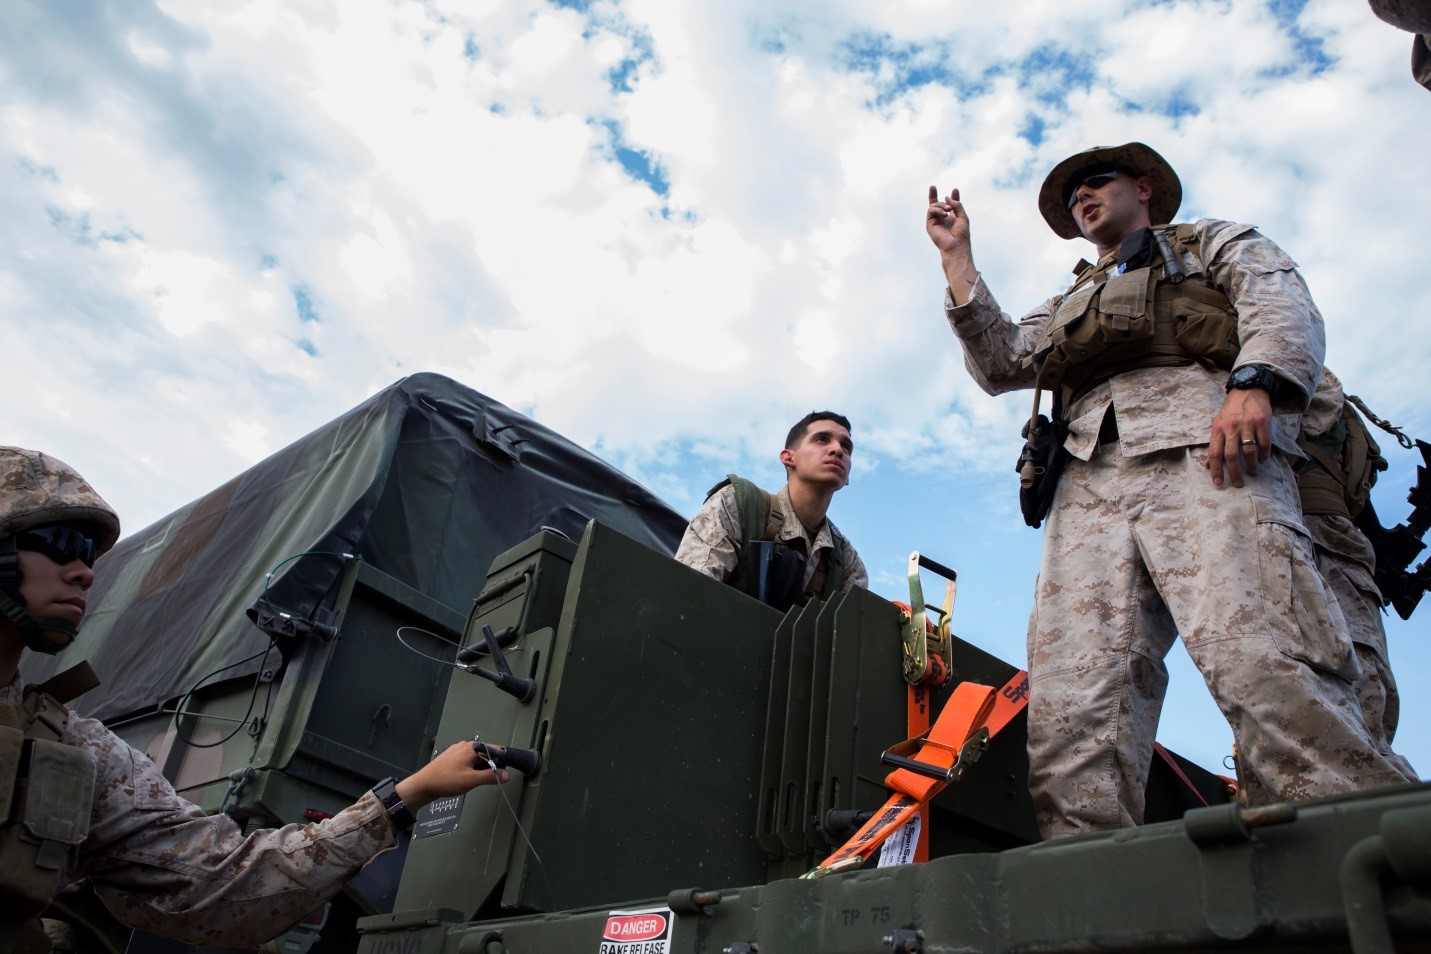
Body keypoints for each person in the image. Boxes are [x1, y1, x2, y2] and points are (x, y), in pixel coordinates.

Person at [924, 142, 1416, 840]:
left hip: (1209, 449)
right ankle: (1092, 895)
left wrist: (1255, 386)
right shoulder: (1071, 296)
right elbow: (1002, 360)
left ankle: (1373, 851)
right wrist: (956, 258)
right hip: (1088, 482)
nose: (1081, 199)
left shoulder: (1208, 243)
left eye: (1096, 182)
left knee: (1263, 658)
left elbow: (1278, 304)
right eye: (1070, 199)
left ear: (1144, 187)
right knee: (1075, 700)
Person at [0, 446, 510, 952]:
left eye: (89, 554)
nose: (85, 572)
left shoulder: (76, 752)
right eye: (60, 543)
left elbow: (222, 883)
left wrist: (408, 795)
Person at [1296, 370, 1417, 779]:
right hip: (1315, 540)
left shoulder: (1309, 387)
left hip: (1331, 544)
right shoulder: (1290, 380)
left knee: (1359, 692)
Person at [675, 411, 868, 608]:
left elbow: (848, 634)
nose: (837, 450)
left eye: (846, 446)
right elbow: (688, 596)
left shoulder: (846, 560)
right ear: (788, 458)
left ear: (848, 478)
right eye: (821, 439)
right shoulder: (739, 504)